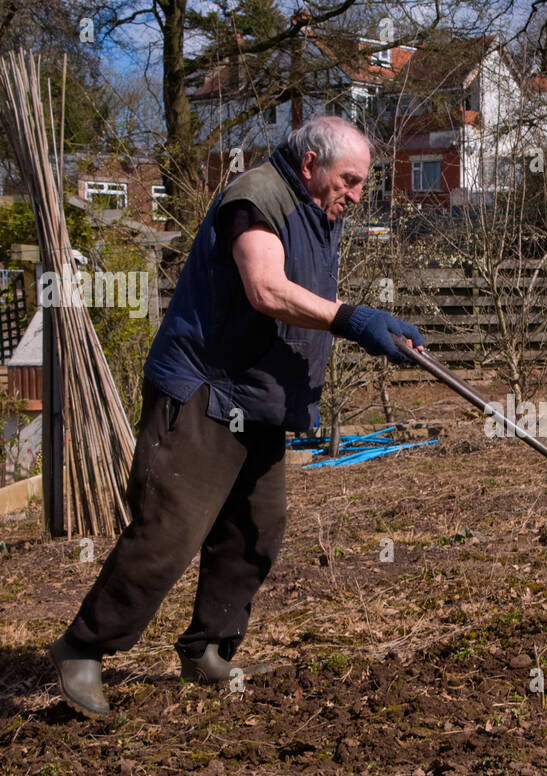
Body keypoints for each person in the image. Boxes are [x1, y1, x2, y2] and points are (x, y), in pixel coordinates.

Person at [48, 115, 424, 717]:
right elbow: (265, 288)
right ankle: (82, 648)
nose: (355, 195)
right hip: (205, 392)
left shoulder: (317, 209)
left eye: (361, 183)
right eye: (349, 180)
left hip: (259, 399)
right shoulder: (257, 196)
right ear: (310, 165)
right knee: (169, 533)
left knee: (254, 531)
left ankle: (206, 651)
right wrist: (354, 319)